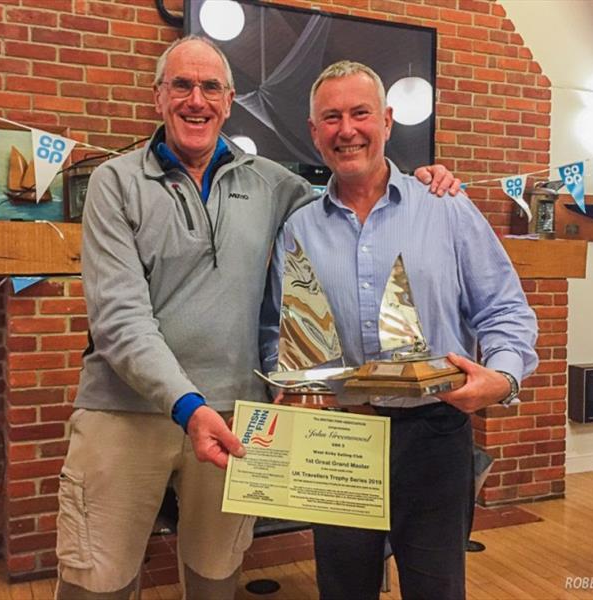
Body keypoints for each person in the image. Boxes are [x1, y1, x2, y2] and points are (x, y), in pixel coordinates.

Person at [55, 37, 459, 600]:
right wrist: (187, 405)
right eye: (181, 85)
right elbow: (120, 320)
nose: (196, 100)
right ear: (158, 97)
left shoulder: (273, 184)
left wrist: (418, 182)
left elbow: (352, 193)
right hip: (123, 412)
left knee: (216, 576)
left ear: (229, 100)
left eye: (211, 87)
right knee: (96, 580)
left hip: (233, 416)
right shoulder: (114, 183)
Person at [261, 61, 538, 600]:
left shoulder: (446, 207)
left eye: (360, 113)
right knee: (343, 590)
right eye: (331, 118)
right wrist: (289, 386)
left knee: (437, 590)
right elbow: (279, 329)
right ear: (314, 132)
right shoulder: (299, 229)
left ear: (387, 121)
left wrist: (502, 379)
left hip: (434, 435)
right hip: (339, 439)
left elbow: (505, 308)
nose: (347, 130)